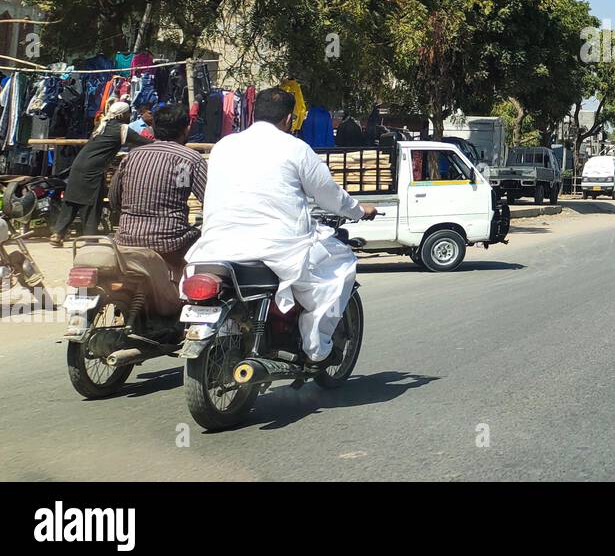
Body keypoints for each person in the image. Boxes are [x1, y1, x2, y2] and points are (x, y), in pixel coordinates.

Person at [185, 88, 378, 365]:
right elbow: (329, 195)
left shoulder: (224, 146)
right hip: (279, 249)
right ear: (289, 119)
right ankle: (317, 348)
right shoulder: (296, 149)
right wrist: (359, 210)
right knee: (342, 266)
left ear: (253, 113)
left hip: (215, 246)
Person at [106, 102, 207, 317]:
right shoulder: (190, 158)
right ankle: (186, 306)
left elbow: (114, 199)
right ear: (185, 128)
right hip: (170, 240)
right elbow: (210, 200)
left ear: (154, 128)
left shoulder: (132, 156)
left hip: (125, 238)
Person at [53, 99, 150, 245]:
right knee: (92, 203)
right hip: (93, 170)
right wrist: (164, 144)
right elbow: (142, 141)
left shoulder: (102, 126)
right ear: (122, 115)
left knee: (71, 201)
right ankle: (90, 239)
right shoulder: (121, 128)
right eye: (128, 113)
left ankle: (57, 234)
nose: (130, 115)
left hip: (78, 165)